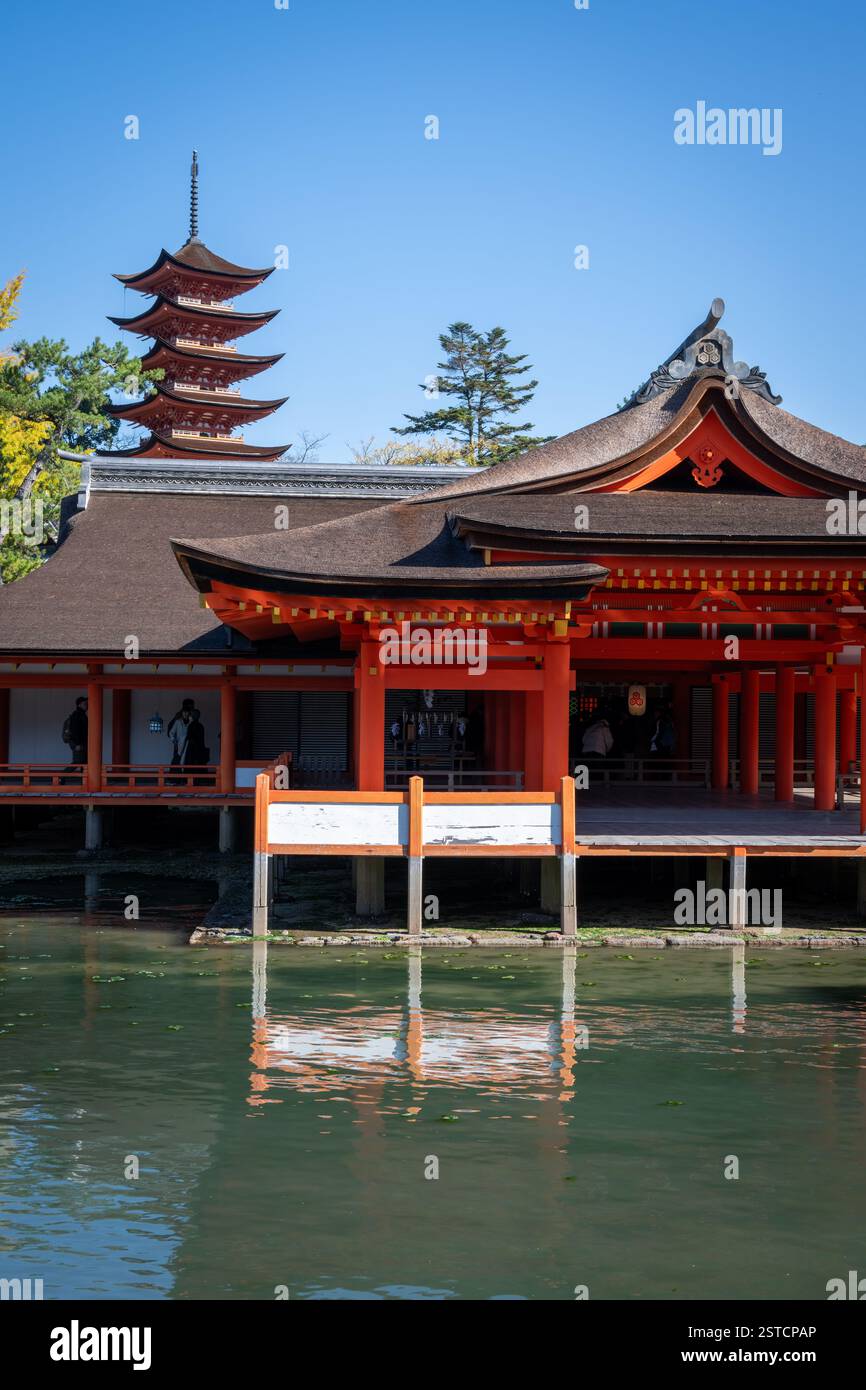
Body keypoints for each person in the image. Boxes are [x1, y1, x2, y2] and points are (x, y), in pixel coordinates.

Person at [167, 698, 195, 766]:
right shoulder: (178, 718)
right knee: (178, 761)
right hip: (179, 742)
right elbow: (171, 731)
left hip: (190, 744)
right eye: (191, 706)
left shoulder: (192, 718)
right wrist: (174, 740)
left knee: (188, 761)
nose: (192, 708)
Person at [62, 696, 88, 766]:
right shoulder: (77, 715)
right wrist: (77, 744)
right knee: (77, 762)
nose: (87, 706)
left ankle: (84, 777)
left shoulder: (81, 715)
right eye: (85, 704)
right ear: (79, 705)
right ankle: (61, 776)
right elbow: (75, 731)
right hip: (79, 744)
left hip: (82, 744)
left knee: (84, 763)